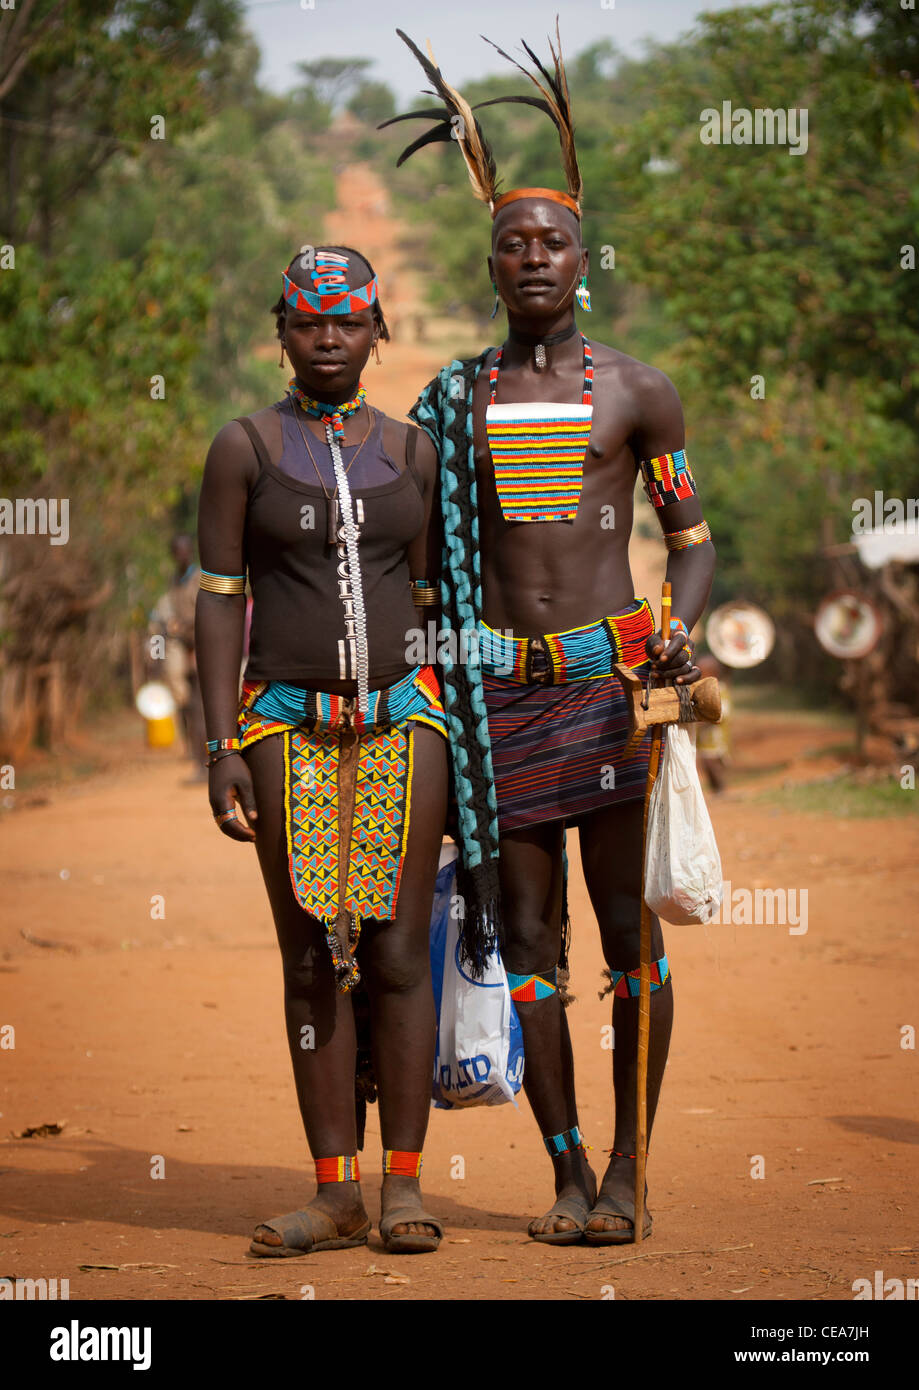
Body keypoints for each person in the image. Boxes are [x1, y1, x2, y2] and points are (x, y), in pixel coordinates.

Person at [385, 28, 716, 1245]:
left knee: (628, 942)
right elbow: (423, 567)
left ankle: (630, 1171)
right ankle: (567, 1170)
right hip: (494, 704)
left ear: (584, 257)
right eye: (512, 244)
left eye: (553, 241)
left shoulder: (636, 390)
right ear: (491, 267)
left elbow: (689, 532)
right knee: (529, 942)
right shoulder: (451, 403)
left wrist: (685, 631)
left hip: (611, 691)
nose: (534, 257)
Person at [195, 244, 447, 1255]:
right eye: (309, 320)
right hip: (280, 725)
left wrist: (458, 723)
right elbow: (218, 606)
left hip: (406, 718)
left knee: (393, 951)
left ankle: (405, 1188)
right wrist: (217, 745)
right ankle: (334, 1190)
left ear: (377, 331)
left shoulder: (412, 452)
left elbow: (431, 600)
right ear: (284, 331)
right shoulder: (244, 448)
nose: (329, 336)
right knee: (310, 958)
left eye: (348, 320)